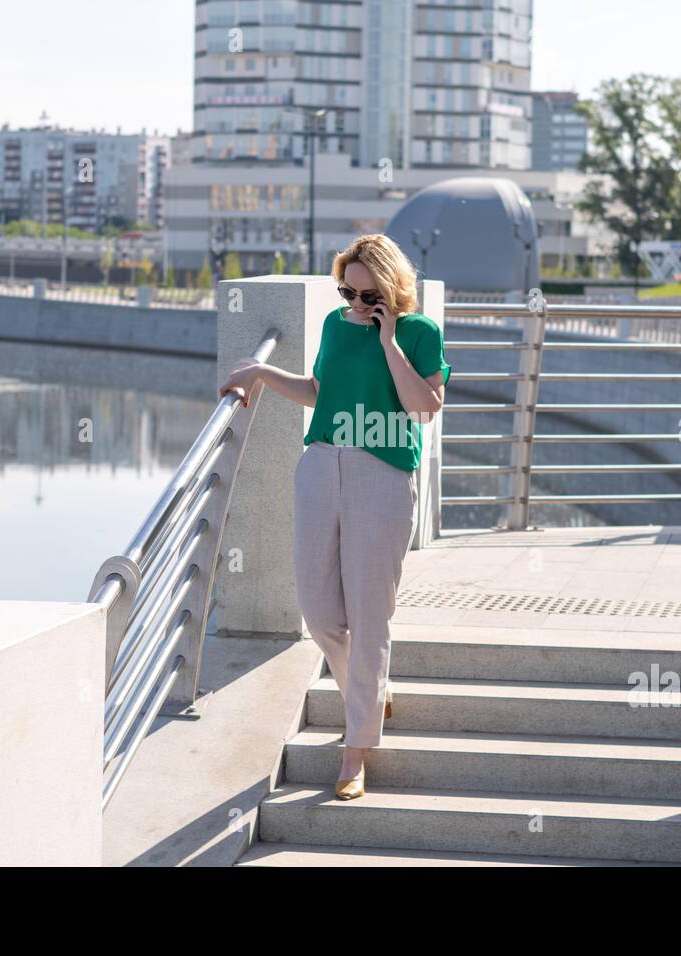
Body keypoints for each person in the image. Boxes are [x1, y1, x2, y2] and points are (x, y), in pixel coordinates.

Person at [219, 233, 450, 800]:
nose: (353, 302)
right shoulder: (332, 324)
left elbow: (423, 407)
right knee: (320, 614)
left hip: (383, 473)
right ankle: (370, 694)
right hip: (321, 467)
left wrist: (389, 339)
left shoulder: (418, 333)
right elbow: (320, 391)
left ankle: (355, 751)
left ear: (391, 290)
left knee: (370, 617)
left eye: (366, 295)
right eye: (346, 289)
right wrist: (261, 374)